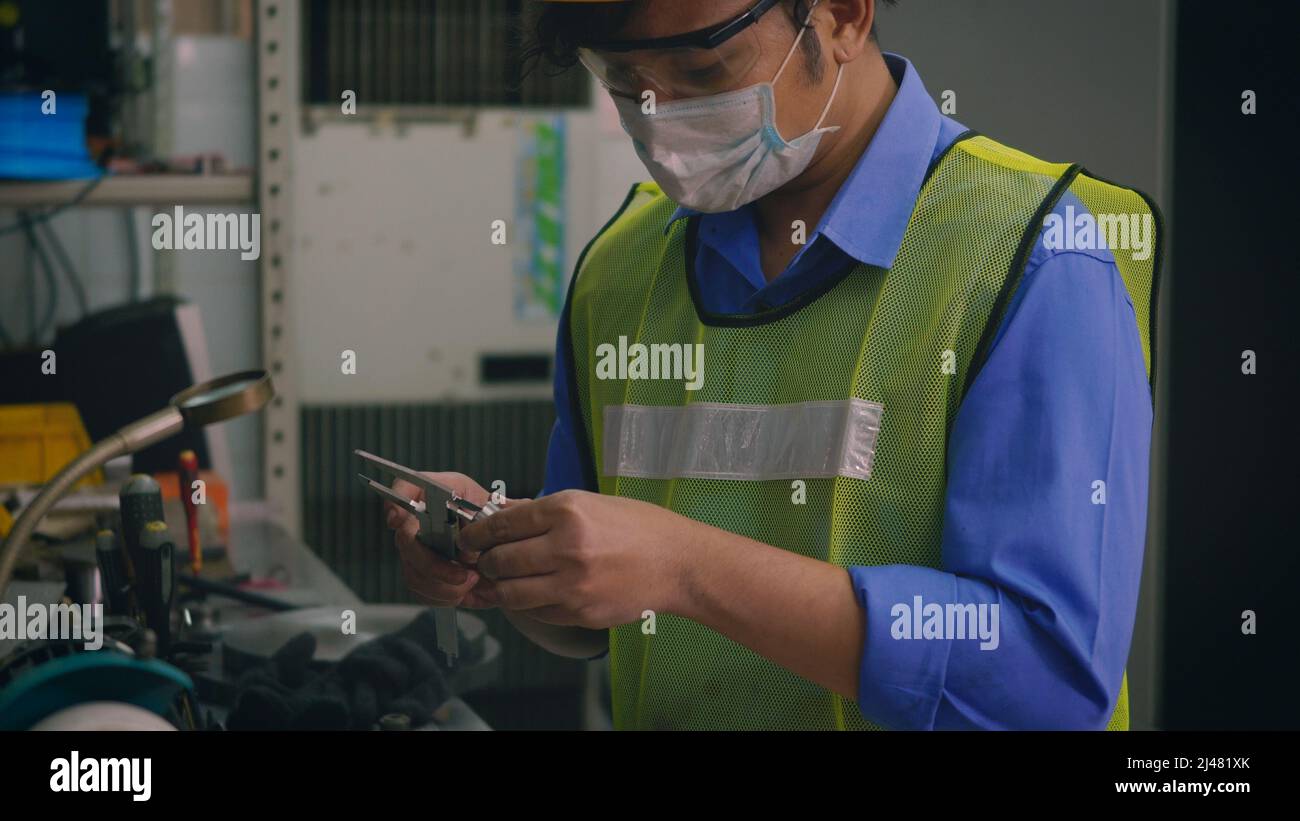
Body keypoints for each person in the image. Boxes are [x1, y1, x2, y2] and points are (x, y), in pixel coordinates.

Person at [384, 0, 1160, 730]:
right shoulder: (621, 271)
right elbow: (593, 627)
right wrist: (506, 560)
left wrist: (684, 568)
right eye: (625, 83)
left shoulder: (1030, 256)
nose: (665, 120)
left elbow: (1046, 683)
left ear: (845, 15)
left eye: (705, 71)